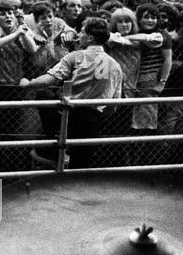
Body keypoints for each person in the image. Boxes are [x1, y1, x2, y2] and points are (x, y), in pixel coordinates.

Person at [20, 16, 124, 167]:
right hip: (93, 120)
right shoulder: (115, 65)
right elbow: (114, 104)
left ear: (89, 37)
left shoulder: (76, 56)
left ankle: (54, 138)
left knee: (43, 94)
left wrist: (29, 83)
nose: (78, 35)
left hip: (68, 116)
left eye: (81, 32)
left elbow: (50, 79)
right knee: (81, 165)